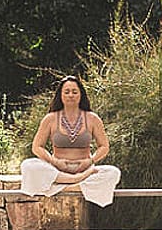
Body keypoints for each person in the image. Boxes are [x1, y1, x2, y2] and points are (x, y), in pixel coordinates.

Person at [21, 75, 121, 206]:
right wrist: (54, 161)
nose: (71, 95)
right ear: (61, 95)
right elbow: (36, 147)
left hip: (85, 169)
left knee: (113, 172)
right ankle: (76, 182)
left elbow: (104, 146)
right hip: (58, 169)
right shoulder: (50, 119)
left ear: (81, 95)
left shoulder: (92, 118)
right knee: (28, 165)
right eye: (66, 92)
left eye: (74, 92)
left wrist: (89, 161)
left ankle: (62, 186)